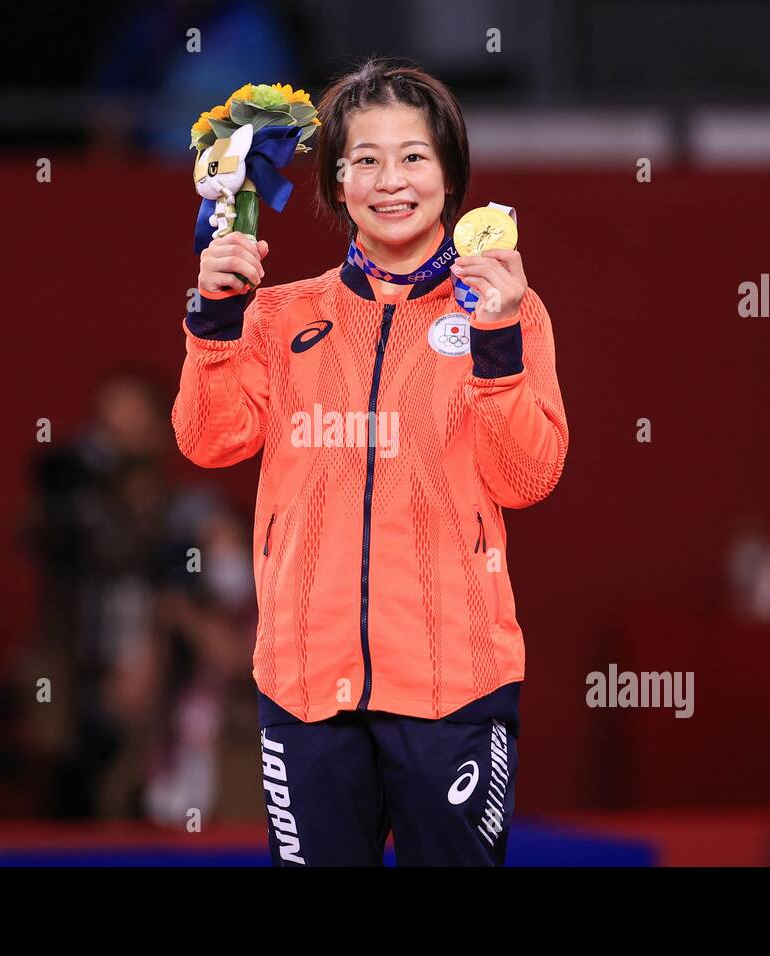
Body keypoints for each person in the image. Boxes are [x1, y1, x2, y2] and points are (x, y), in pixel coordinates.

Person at [172, 57, 569, 865]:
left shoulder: (507, 309)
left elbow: (527, 479)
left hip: (453, 684)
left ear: (452, 176)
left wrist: (495, 344)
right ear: (337, 182)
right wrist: (216, 322)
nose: (391, 180)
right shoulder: (281, 315)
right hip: (305, 682)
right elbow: (208, 440)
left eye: (414, 156)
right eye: (366, 159)